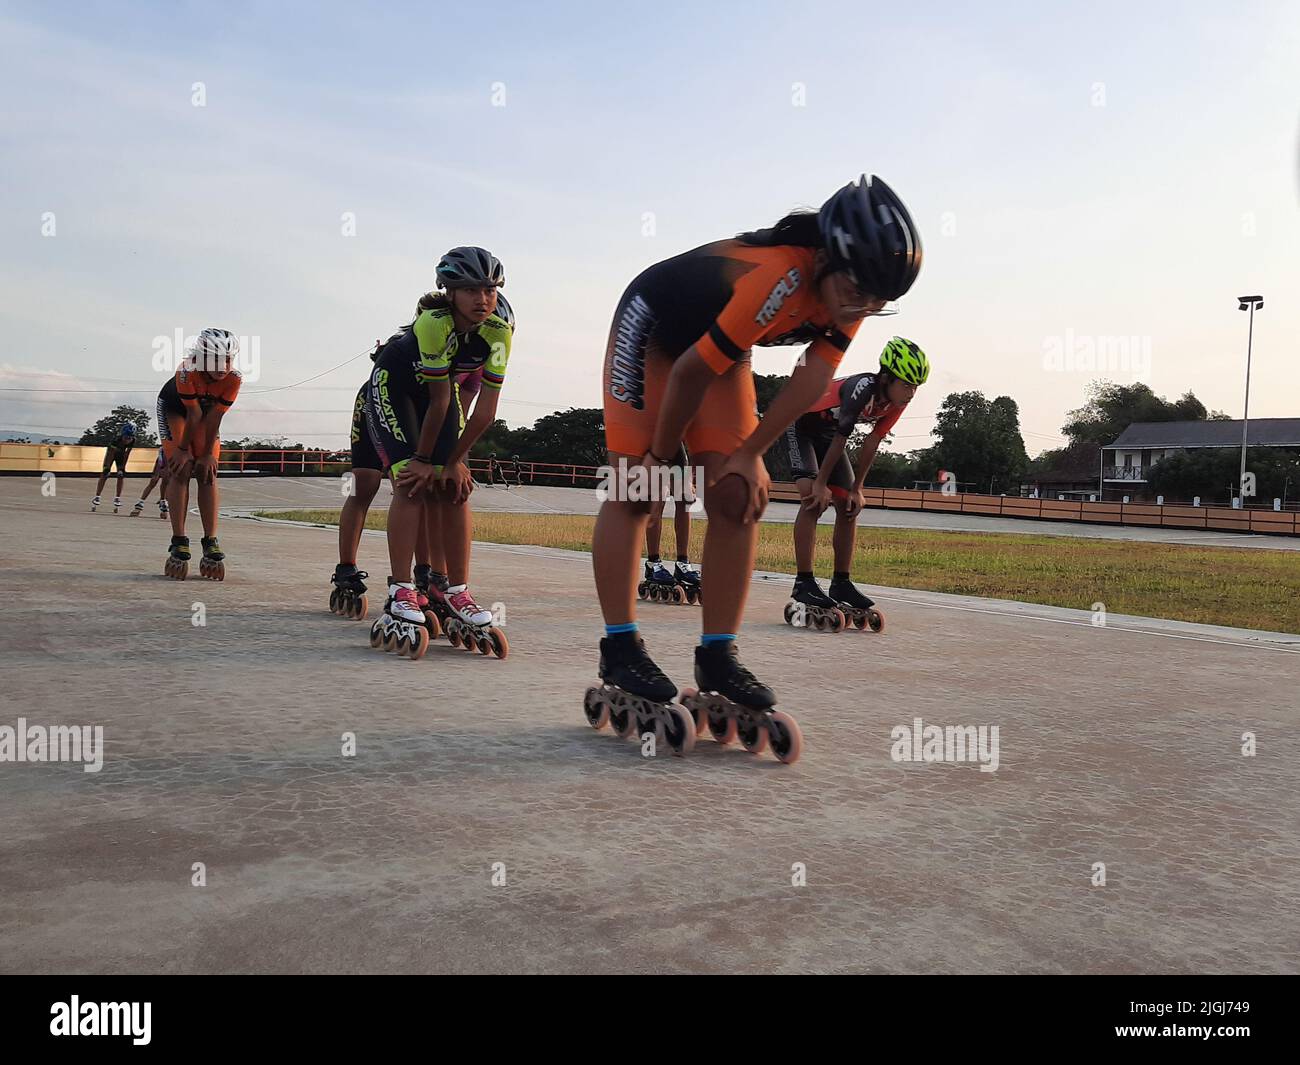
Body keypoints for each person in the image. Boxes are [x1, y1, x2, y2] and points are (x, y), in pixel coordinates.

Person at [584, 175, 923, 763]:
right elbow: (688, 372)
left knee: (740, 494)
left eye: (877, 302)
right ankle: (620, 647)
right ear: (826, 255)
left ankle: (718, 653)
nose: (861, 307)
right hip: (653, 330)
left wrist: (749, 456)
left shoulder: (857, 287)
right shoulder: (781, 275)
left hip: (717, 346)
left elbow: (813, 378)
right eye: (857, 291)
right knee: (639, 488)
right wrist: (663, 454)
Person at [363, 247, 513, 660]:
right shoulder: (434, 322)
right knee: (412, 485)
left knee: (457, 488)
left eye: (489, 289)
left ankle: (458, 592)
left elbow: (485, 411)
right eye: (469, 290)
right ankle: (400, 592)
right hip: (397, 388)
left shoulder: (499, 331)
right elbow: (441, 399)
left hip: (439, 401)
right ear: (448, 291)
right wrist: (426, 460)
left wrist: (456, 462)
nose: (482, 299)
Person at [784, 337, 930, 632]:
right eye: (906, 385)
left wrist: (857, 489)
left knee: (849, 508)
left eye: (916, 387)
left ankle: (841, 582)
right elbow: (843, 437)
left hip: (827, 435)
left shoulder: (896, 401)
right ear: (886, 377)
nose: (911, 393)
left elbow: (873, 441)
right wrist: (820, 483)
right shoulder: (861, 388)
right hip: (799, 425)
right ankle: (804, 582)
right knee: (813, 500)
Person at [159, 328, 242, 580]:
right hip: (176, 410)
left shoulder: (234, 379)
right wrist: (183, 450)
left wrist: (207, 455)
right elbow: (192, 415)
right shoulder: (186, 371)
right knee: (181, 470)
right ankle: (179, 539)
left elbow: (215, 417)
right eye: (216, 359)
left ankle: (210, 539)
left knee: (208, 472)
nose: (223, 366)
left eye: (228, 359)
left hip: (205, 415)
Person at [639, 446, 702, 604]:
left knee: (685, 499)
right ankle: (653, 562)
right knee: (657, 499)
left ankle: (683, 563)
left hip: (676, 446)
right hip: (652, 442)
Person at [91, 423, 136, 513]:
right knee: (105, 474)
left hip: (121, 456)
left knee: (121, 475)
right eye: (126, 437)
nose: (128, 440)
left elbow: (127, 454)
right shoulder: (116, 440)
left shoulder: (133, 440)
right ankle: (97, 496)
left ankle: (117, 498)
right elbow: (111, 455)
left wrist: (122, 468)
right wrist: (107, 468)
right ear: (122, 435)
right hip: (111, 454)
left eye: (130, 438)